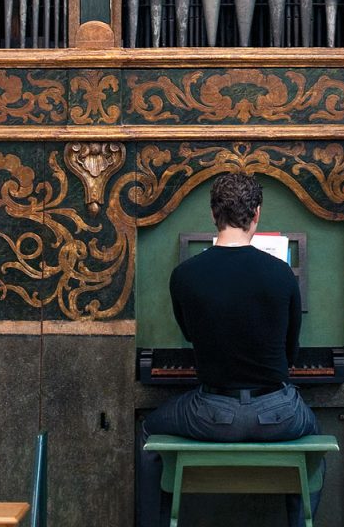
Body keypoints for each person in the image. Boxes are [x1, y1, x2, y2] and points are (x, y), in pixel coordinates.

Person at [137, 171, 324, 527]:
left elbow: (190, 335)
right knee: (314, 443)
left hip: (211, 413)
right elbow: (290, 352)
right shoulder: (283, 273)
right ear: (256, 214)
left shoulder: (185, 275)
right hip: (278, 415)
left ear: (213, 215)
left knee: (150, 432)